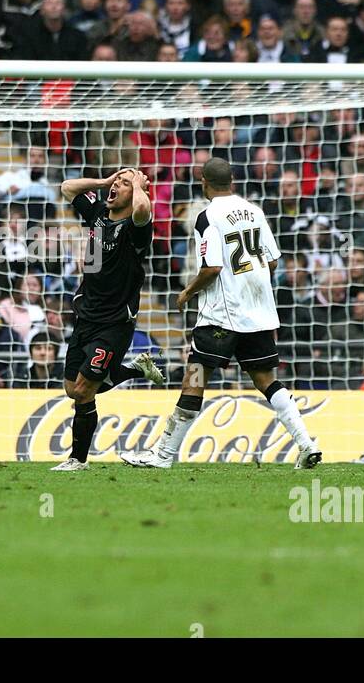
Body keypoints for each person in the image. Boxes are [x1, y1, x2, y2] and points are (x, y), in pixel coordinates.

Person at [120, 158, 321, 470]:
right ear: (233, 181)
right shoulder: (255, 211)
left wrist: (187, 291)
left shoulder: (208, 216)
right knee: (267, 380)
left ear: (204, 182)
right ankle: (306, 443)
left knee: (194, 378)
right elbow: (272, 261)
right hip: (256, 314)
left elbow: (212, 267)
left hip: (220, 319)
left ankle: (163, 455)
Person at [53, 167, 165, 472]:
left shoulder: (136, 228)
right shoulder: (99, 214)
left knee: (84, 391)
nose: (116, 185)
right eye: (116, 180)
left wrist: (139, 185)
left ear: (136, 192)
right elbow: (67, 187)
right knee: (70, 388)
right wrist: (104, 181)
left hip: (115, 322)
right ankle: (133, 370)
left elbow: (142, 208)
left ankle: (77, 460)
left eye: (123, 184)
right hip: (85, 315)